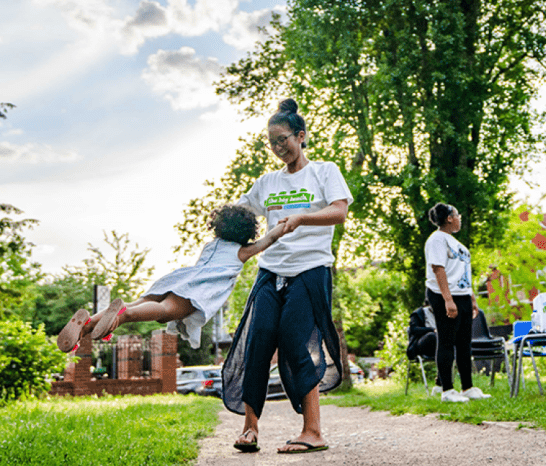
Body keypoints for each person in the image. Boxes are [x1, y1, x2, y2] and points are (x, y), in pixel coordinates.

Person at [222, 99, 354, 455]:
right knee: (257, 343)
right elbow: (240, 217)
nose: (279, 148)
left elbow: (339, 212)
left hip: (310, 270)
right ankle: (250, 428)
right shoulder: (266, 182)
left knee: (295, 343)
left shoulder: (324, 172)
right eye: (272, 142)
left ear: (301, 136)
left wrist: (301, 219)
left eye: (284, 140)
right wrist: (220, 223)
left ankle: (313, 431)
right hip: (271, 270)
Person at [56, 205, 285, 353]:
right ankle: (123, 314)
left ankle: (85, 327)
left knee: (140, 300)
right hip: (199, 288)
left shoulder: (211, 245)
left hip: (178, 278)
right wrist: (284, 224)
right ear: (246, 232)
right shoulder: (241, 251)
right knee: (163, 310)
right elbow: (269, 240)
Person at [425, 202, 490, 403]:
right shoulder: (437, 239)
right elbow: (438, 269)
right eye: (457, 214)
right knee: (446, 341)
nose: (460, 218)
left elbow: (463, 272)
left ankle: (467, 387)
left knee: (464, 343)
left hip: (462, 295)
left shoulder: (454, 242)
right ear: (449, 218)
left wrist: (471, 298)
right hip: (444, 294)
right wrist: (447, 299)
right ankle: (447, 390)